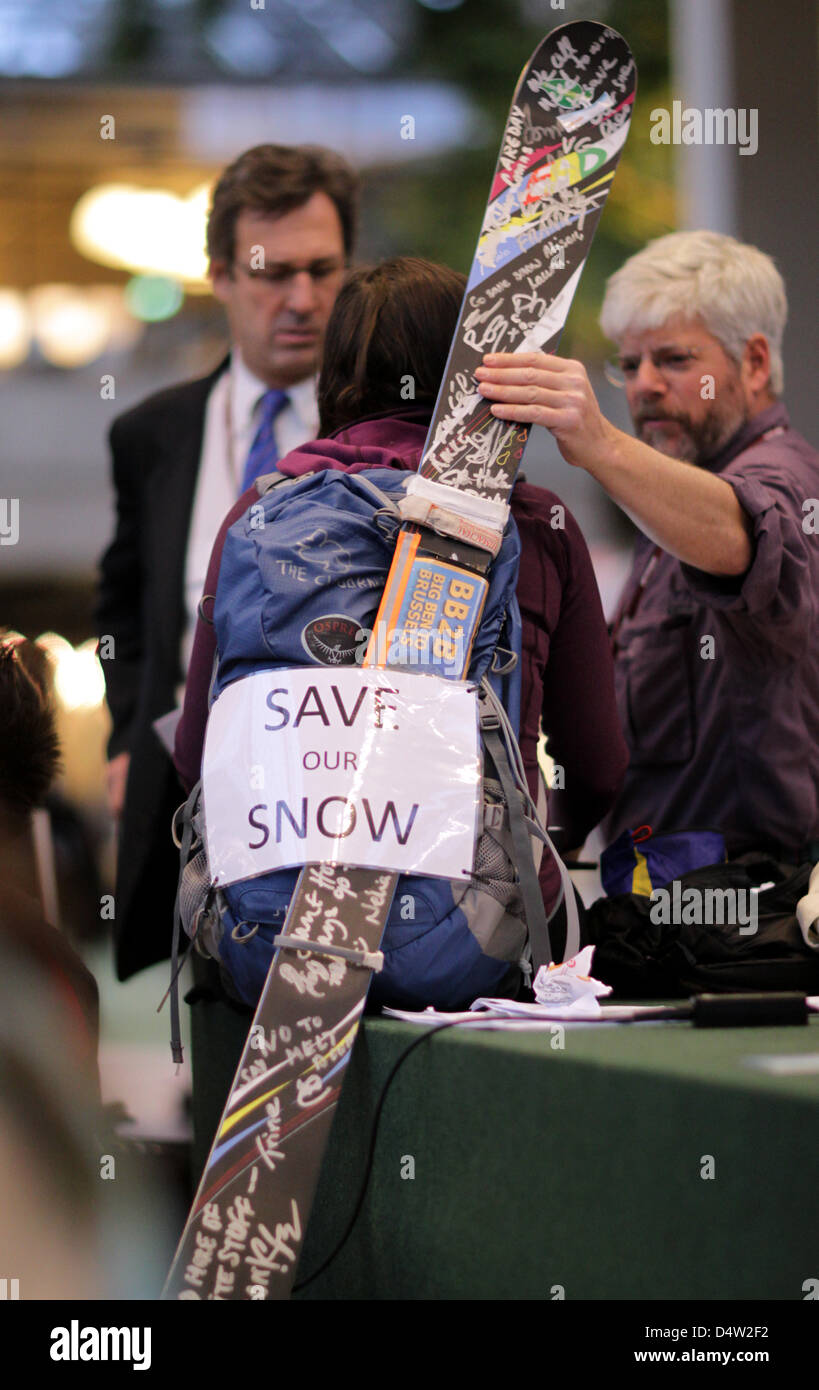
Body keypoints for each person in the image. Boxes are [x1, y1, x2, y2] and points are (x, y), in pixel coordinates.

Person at [172, 256, 628, 1171]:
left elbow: (196, 756)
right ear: (470, 371)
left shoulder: (254, 518)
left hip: (274, 943)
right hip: (470, 943)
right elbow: (600, 764)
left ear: (335, 377)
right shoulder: (533, 524)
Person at [95, 144, 359, 981]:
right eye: (271, 272)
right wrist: (125, 737)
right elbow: (125, 605)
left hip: (342, 805)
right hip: (186, 795)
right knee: (201, 1029)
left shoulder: (391, 437)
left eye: (322, 270)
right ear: (218, 275)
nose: (301, 299)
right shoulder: (151, 434)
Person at [476, 230, 819, 861]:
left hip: (751, 928)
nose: (644, 386)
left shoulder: (788, 480)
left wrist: (601, 443)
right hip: (662, 917)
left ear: (756, 363)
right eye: (629, 365)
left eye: (675, 360)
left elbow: (744, 533)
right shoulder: (671, 494)